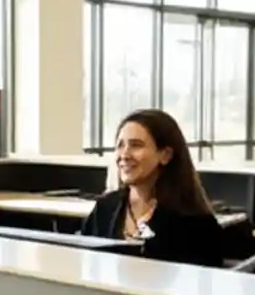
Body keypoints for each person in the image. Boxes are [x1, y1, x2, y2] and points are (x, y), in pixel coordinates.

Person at [81, 109, 224, 267]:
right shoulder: (105, 208)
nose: (125, 155)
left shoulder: (195, 223)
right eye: (120, 145)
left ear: (165, 155)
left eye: (136, 146)